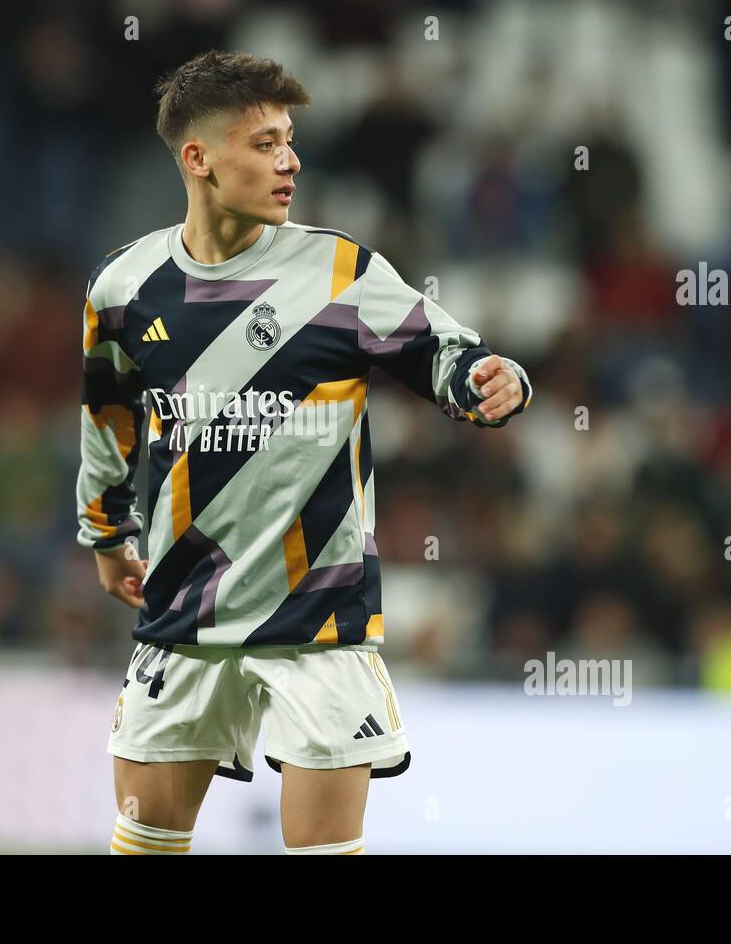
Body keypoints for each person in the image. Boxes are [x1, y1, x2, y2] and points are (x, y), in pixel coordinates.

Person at [78, 51, 531, 855]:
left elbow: (446, 353)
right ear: (198, 158)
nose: (289, 161)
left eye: (289, 141)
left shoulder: (340, 272)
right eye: (264, 143)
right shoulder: (124, 287)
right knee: (143, 843)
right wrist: (107, 538)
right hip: (184, 614)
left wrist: (493, 381)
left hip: (317, 624)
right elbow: (108, 420)